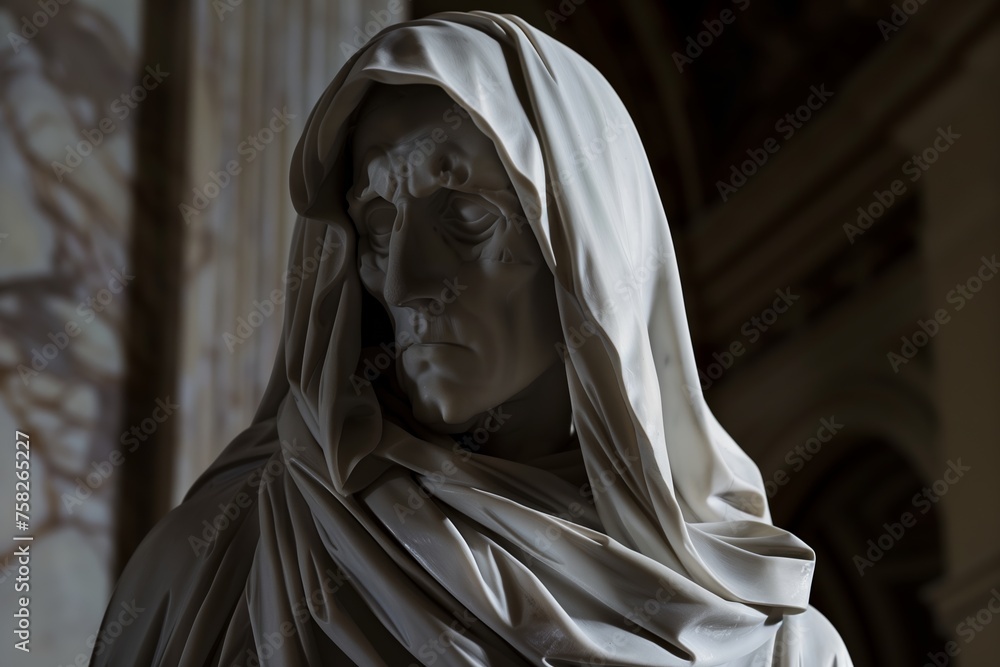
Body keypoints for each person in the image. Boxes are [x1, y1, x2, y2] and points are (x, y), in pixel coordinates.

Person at [92, 11, 853, 666]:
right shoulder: (223, 563)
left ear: (589, 255)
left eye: (465, 217)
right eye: (379, 225)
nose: (406, 281)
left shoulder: (777, 648)